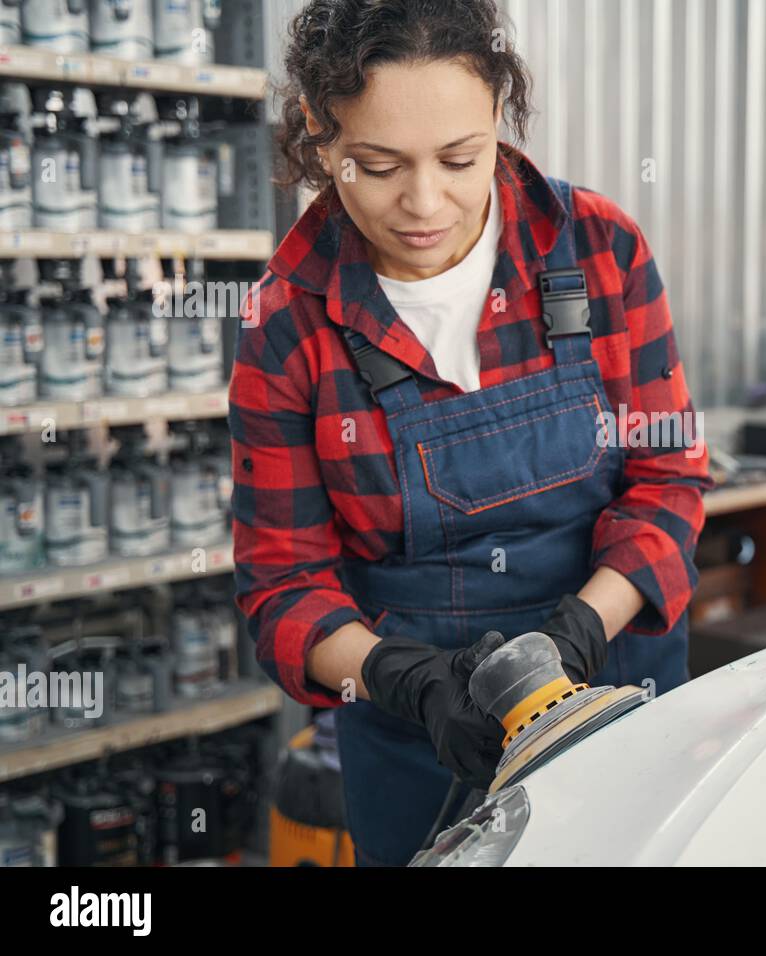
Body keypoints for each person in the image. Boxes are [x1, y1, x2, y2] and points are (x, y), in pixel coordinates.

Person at [229, 0, 713, 866]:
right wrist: (403, 681)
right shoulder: (287, 322)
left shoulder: (599, 251)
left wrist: (581, 632)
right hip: (422, 747)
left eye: (460, 159)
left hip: (614, 696)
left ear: (498, 113)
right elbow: (283, 586)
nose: (424, 204)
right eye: (375, 166)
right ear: (319, 132)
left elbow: (668, 480)